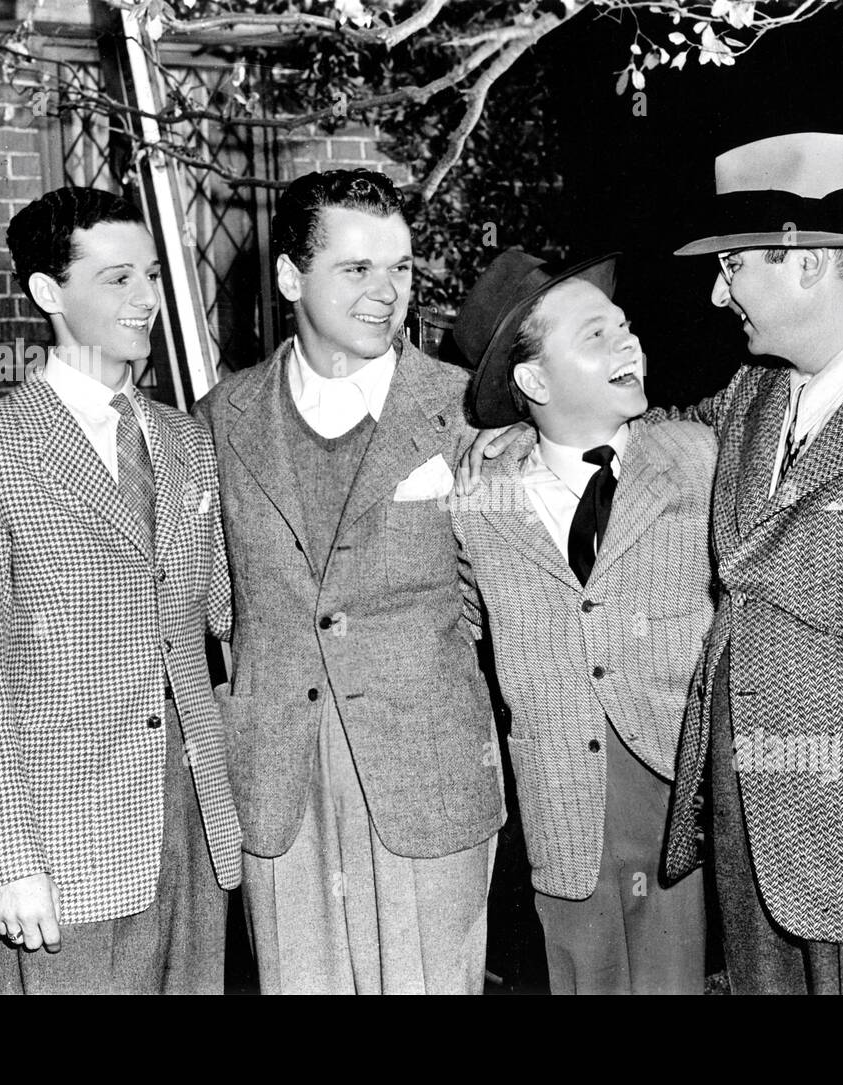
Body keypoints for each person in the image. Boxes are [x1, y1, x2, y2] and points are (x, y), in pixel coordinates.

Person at [467, 132, 843, 995]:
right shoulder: (758, 396)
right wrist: (515, 435)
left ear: (802, 262)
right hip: (765, 869)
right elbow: (632, 441)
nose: (720, 297)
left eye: (733, 268)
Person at [0, 186, 242, 994]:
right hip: (63, 842)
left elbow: (226, 622)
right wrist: (8, 856)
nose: (147, 300)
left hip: (194, 824)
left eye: (154, 276)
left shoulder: (185, 439)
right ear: (47, 293)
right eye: (117, 278)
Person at [193, 169, 504, 995]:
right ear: (293, 277)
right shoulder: (222, 416)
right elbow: (213, 602)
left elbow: (501, 589)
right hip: (278, 782)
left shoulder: (466, 409)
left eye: (400, 268)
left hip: (426, 776)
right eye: (356, 269)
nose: (386, 293)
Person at [447, 250, 716, 993]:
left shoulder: (699, 460)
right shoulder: (478, 498)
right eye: (596, 335)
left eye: (624, 326)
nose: (628, 343)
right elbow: (460, 622)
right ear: (532, 380)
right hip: (562, 812)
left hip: (680, 802)